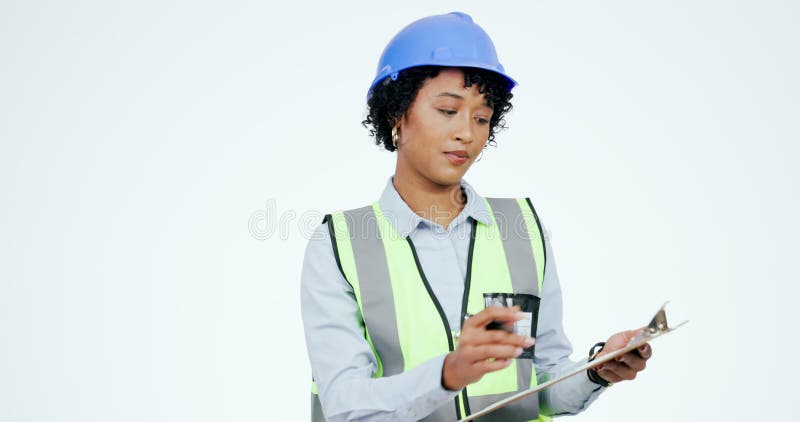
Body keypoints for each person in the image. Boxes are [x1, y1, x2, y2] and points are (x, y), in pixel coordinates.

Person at [300, 12, 652, 422]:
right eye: (448, 111)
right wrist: (448, 374)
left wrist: (596, 372)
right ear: (396, 115)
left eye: (482, 118)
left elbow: (543, 385)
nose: (467, 133)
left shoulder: (522, 228)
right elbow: (346, 405)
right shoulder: (340, 245)